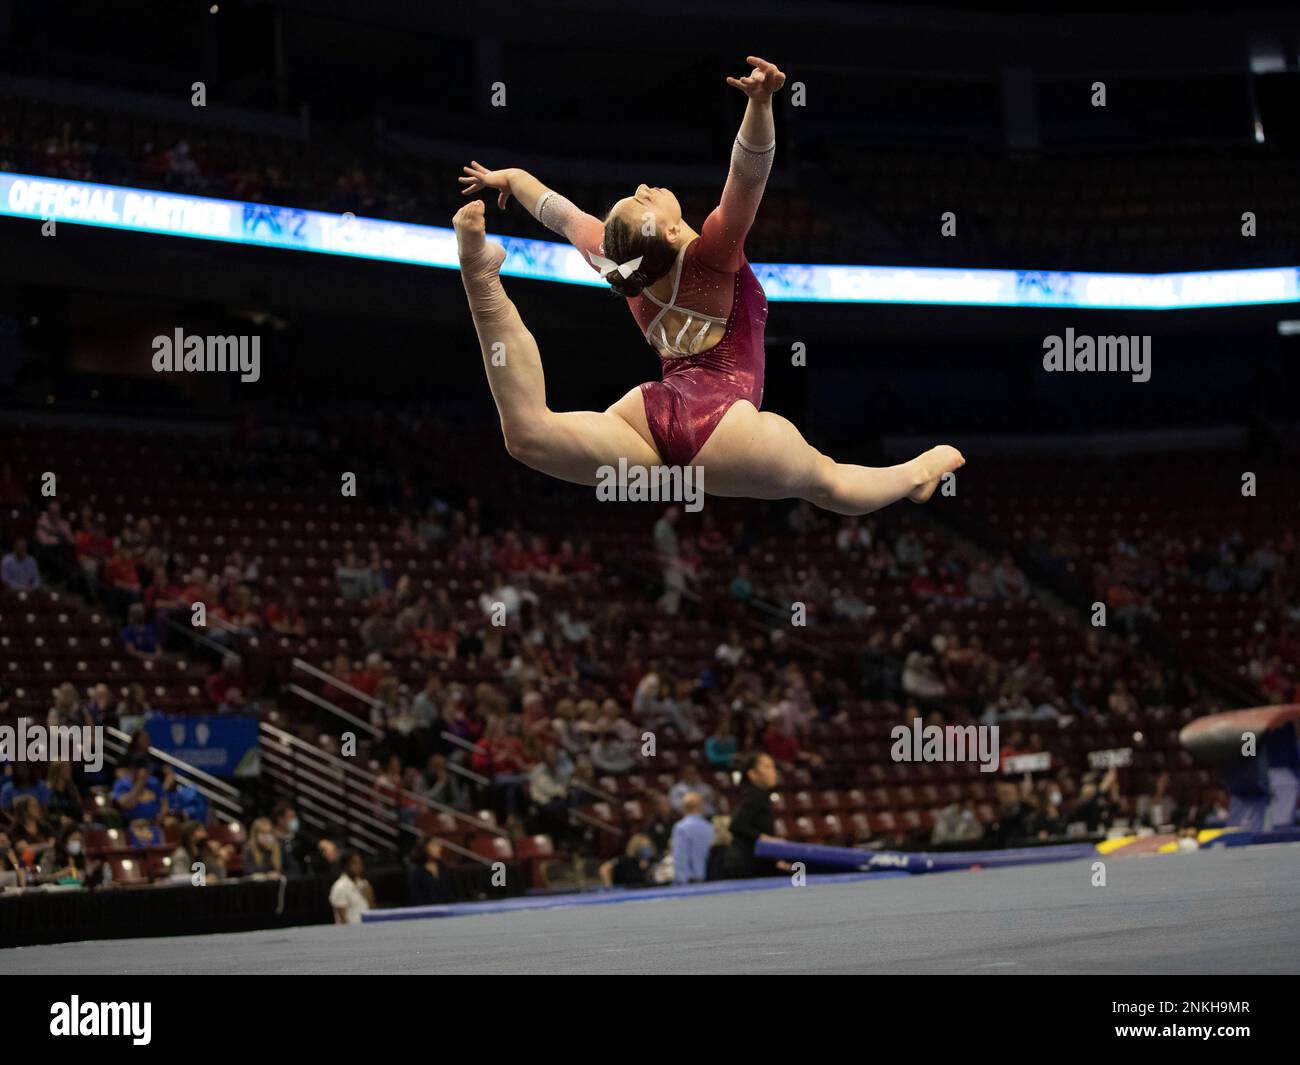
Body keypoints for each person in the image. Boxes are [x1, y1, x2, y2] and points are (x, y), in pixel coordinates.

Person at [454, 56, 962, 515]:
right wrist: (762, 104)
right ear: (672, 231)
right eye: (643, 200)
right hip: (724, 428)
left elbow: (561, 215)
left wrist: (516, 177)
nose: (641, 188)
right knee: (829, 483)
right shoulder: (711, 255)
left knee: (527, 436)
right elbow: (748, 177)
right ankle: (916, 474)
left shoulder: (622, 266)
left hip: (649, 418)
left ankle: (481, 277)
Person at [725, 752, 784, 878]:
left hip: (756, 860)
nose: (773, 771)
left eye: (773, 767)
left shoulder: (761, 795)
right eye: (767, 767)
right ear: (752, 774)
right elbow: (736, 825)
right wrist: (765, 838)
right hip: (746, 863)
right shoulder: (753, 795)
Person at [670, 792, 715, 885]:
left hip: (690, 882)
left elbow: (680, 858)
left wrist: (681, 883)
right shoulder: (709, 827)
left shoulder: (681, 828)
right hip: (710, 879)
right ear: (701, 806)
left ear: (684, 808)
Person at [329, 851, 375, 924]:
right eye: (355, 863)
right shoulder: (339, 887)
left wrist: (370, 896)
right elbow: (342, 919)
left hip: (366, 929)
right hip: (350, 933)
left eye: (360, 863)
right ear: (346, 866)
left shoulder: (364, 883)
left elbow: (371, 910)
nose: (359, 867)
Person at [406, 836, 453, 905]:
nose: (439, 848)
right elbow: (416, 900)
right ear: (424, 848)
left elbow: (451, 897)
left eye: (439, 845)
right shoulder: (416, 873)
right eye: (434, 845)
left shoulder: (444, 870)